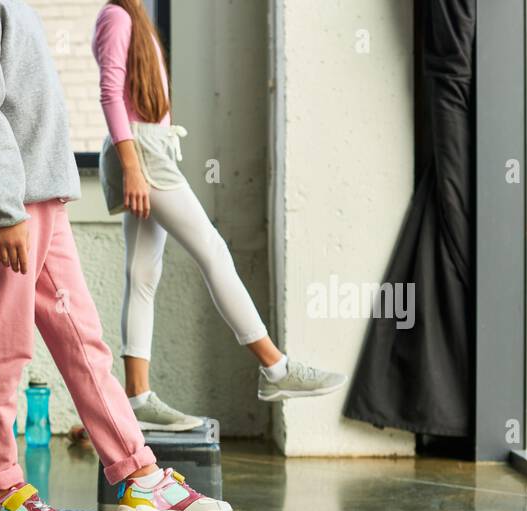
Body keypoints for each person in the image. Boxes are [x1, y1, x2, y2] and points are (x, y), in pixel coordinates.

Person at [0, 0, 233, 511]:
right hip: (12, 207)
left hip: (43, 199)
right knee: (4, 345)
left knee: (83, 343)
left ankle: (139, 476)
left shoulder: (16, 8)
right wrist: (4, 209)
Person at [95, 0, 346, 432]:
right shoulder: (116, 18)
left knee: (142, 276)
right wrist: (133, 167)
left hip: (150, 149)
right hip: (143, 154)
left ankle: (137, 396)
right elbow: (110, 94)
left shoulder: (136, 19)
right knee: (212, 251)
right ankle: (275, 368)